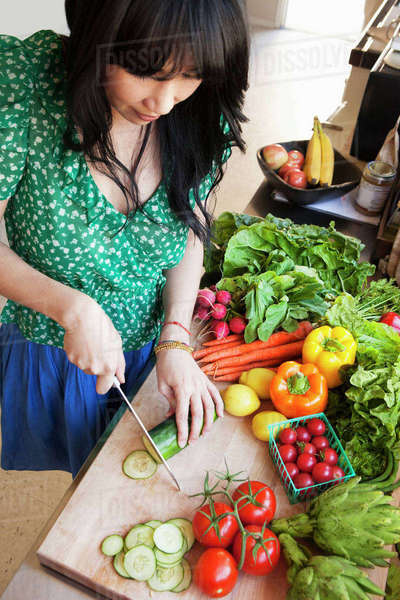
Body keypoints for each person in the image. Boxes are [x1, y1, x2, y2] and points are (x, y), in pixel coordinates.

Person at [0, 0, 249, 478]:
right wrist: (72, 309)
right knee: (84, 483)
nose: (165, 101)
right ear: (98, 33)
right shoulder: (25, 88)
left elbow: (189, 229)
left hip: (152, 347)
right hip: (52, 344)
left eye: (191, 74)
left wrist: (174, 338)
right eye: (145, 69)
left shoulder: (198, 112)